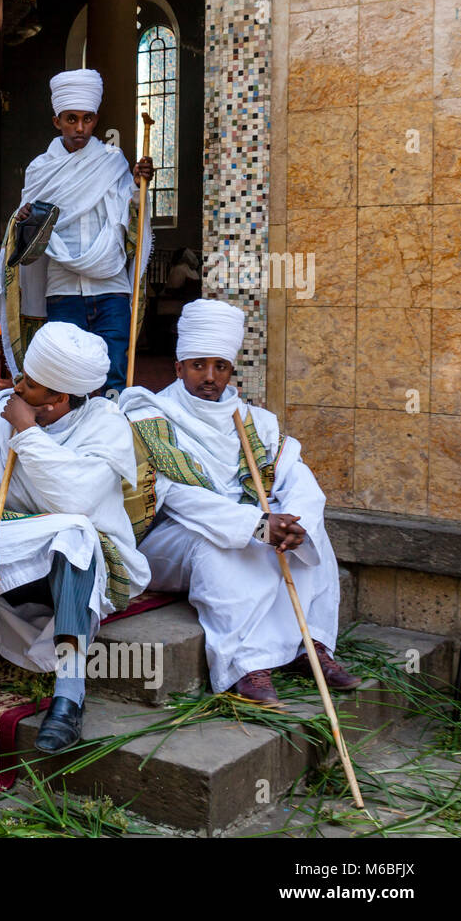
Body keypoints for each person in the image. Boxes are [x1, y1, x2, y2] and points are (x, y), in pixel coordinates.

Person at [118, 299, 359, 703]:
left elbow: (298, 474)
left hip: (255, 525)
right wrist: (259, 525)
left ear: (232, 370)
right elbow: (179, 498)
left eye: (220, 367)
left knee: (315, 538)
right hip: (170, 541)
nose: (210, 377)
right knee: (221, 545)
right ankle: (245, 666)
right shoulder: (150, 417)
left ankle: (311, 647)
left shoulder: (255, 421)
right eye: (198, 365)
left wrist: (294, 522)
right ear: (179, 367)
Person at [0, 322, 150, 753]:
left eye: (29, 385)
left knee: (74, 534)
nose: (15, 388)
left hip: (81, 566)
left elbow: (75, 497)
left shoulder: (106, 425)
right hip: (7, 558)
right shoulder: (0, 410)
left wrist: (27, 434)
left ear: (57, 401)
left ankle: (69, 693)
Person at [0, 69, 153, 395]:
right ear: (57, 121)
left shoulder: (112, 161)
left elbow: (129, 214)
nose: (80, 128)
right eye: (71, 119)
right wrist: (22, 221)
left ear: (95, 120)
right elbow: (25, 234)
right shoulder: (40, 169)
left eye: (87, 119)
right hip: (62, 291)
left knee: (113, 376)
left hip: (111, 288)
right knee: (67, 380)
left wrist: (138, 185)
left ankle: (110, 441)